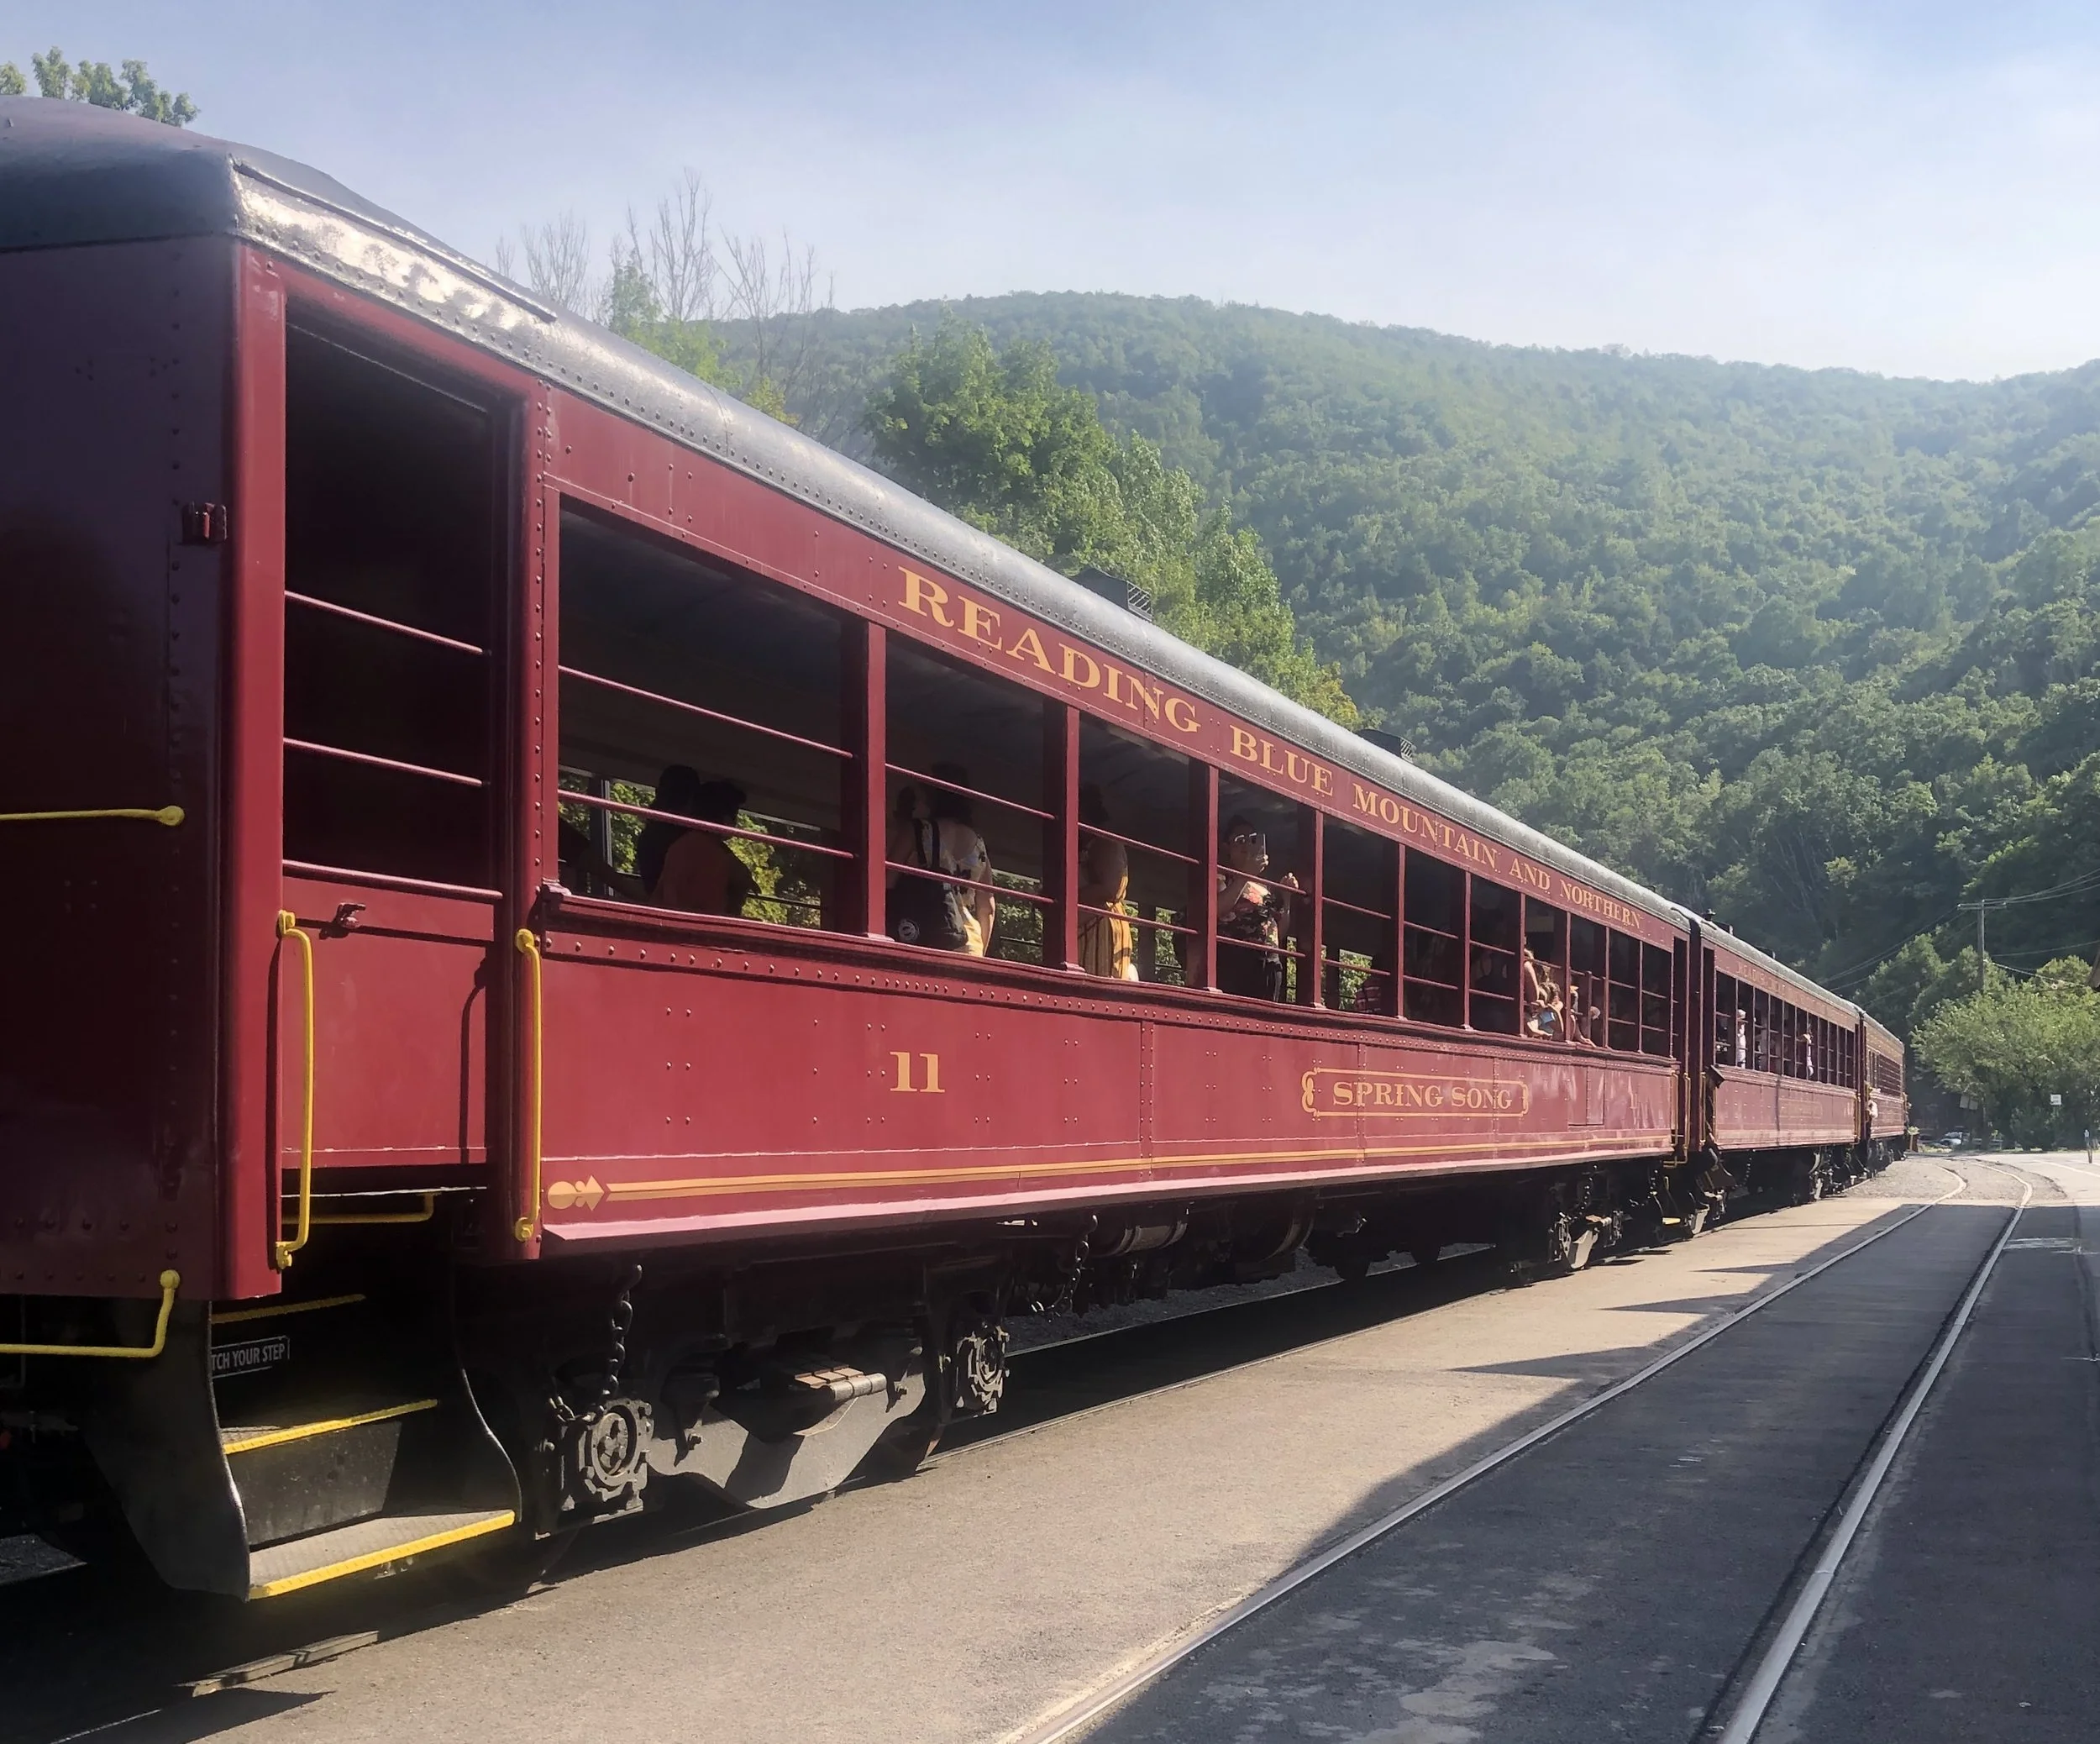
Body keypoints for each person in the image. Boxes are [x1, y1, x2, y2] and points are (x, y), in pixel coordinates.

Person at [890, 764, 995, 954]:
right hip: (970, 941)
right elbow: (987, 907)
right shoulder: (979, 844)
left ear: (933, 795)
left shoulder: (918, 831)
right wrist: (979, 952)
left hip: (927, 935)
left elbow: (886, 882)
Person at [1216, 815, 1297, 1001]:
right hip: (1237, 960)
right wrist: (1245, 874)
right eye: (1240, 840)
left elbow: (1279, 933)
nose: (1247, 845)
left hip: (1269, 964)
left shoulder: (1263, 886)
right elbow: (1216, 910)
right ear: (1227, 847)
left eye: (1252, 839)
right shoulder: (1222, 876)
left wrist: (1287, 898)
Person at [652, 778, 756, 917]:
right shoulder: (713, 858)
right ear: (725, 818)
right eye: (734, 815)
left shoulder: (681, 845)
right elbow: (711, 913)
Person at [1077, 785, 1139, 980]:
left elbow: (1109, 888)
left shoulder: (1104, 842)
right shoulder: (1093, 843)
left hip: (1101, 931)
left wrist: (1062, 898)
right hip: (1092, 929)